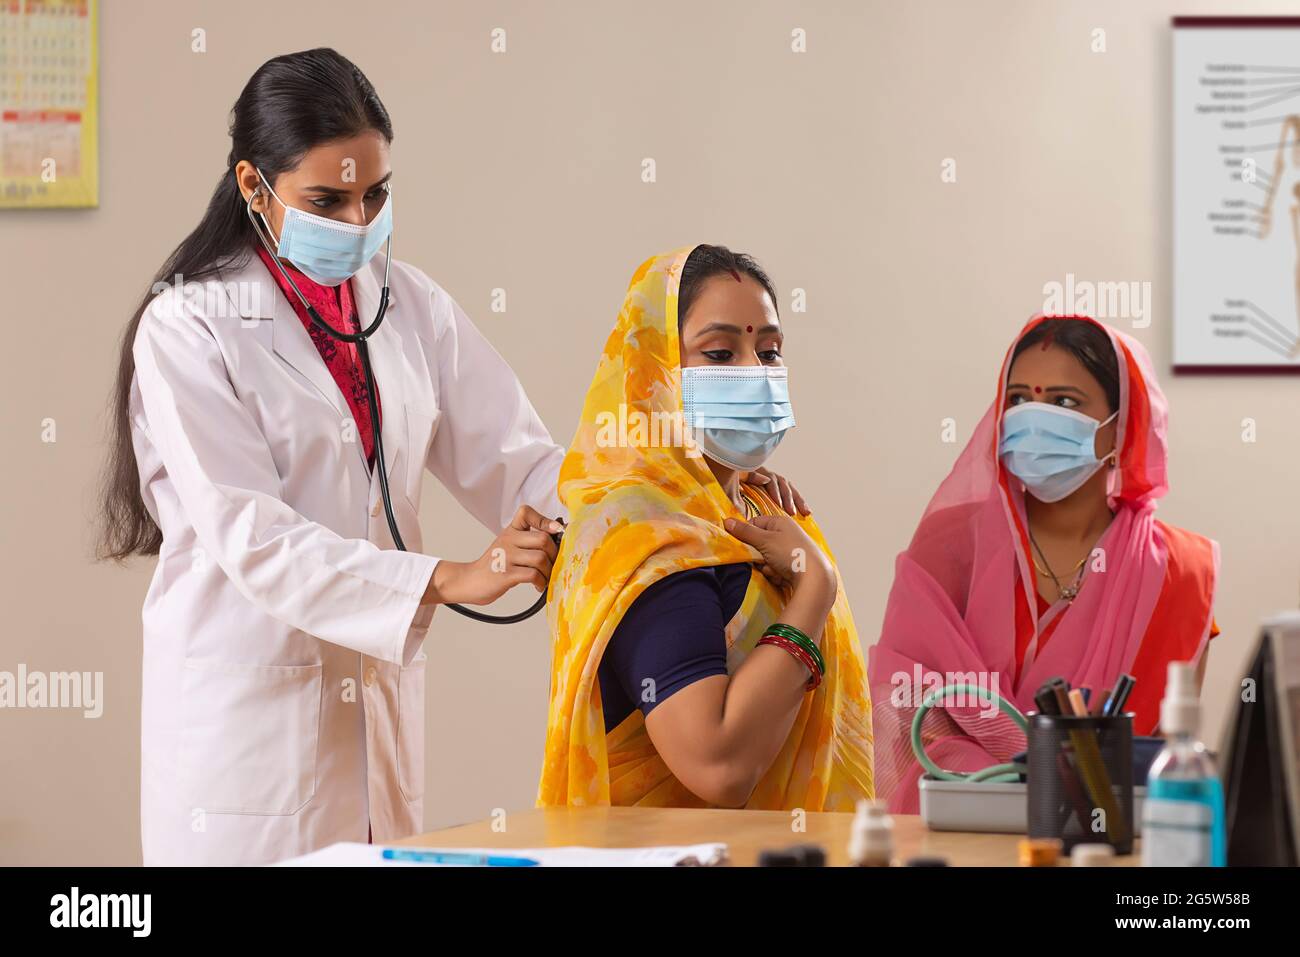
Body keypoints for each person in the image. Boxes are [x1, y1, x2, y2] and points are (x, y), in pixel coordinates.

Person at [537, 245, 874, 809]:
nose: (754, 373)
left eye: (769, 352)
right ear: (655, 370)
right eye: (719, 353)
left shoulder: (753, 510)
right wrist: (814, 589)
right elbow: (718, 767)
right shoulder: (648, 538)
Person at [869, 315, 1220, 812]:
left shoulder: (1179, 573)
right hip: (960, 829)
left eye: (1064, 402)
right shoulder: (949, 544)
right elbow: (903, 711)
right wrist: (1022, 787)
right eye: (1018, 399)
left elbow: (1155, 760)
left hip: (1100, 841)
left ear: (1121, 426)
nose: (1034, 417)